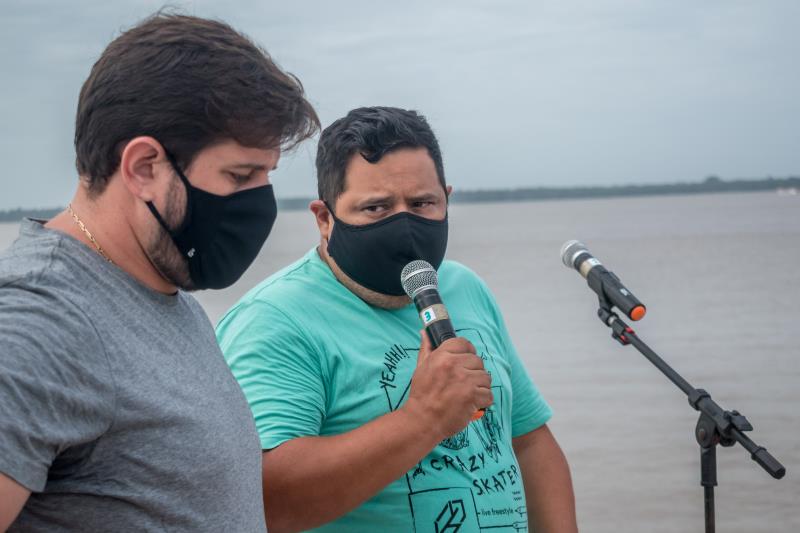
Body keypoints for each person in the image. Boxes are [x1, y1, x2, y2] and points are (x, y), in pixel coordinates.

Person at [0, 13, 318, 532]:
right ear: (144, 167)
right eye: (240, 175)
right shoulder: (40, 319)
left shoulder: (162, 285)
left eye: (267, 175)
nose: (261, 200)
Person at [216, 106, 577, 532]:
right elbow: (266, 501)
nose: (404, 224)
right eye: (376, 208)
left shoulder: (463, 286)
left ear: (447, 200)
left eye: (423, 203)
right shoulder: (275, 319)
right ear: (325, 219)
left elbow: (528, 440)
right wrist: (424, 419)